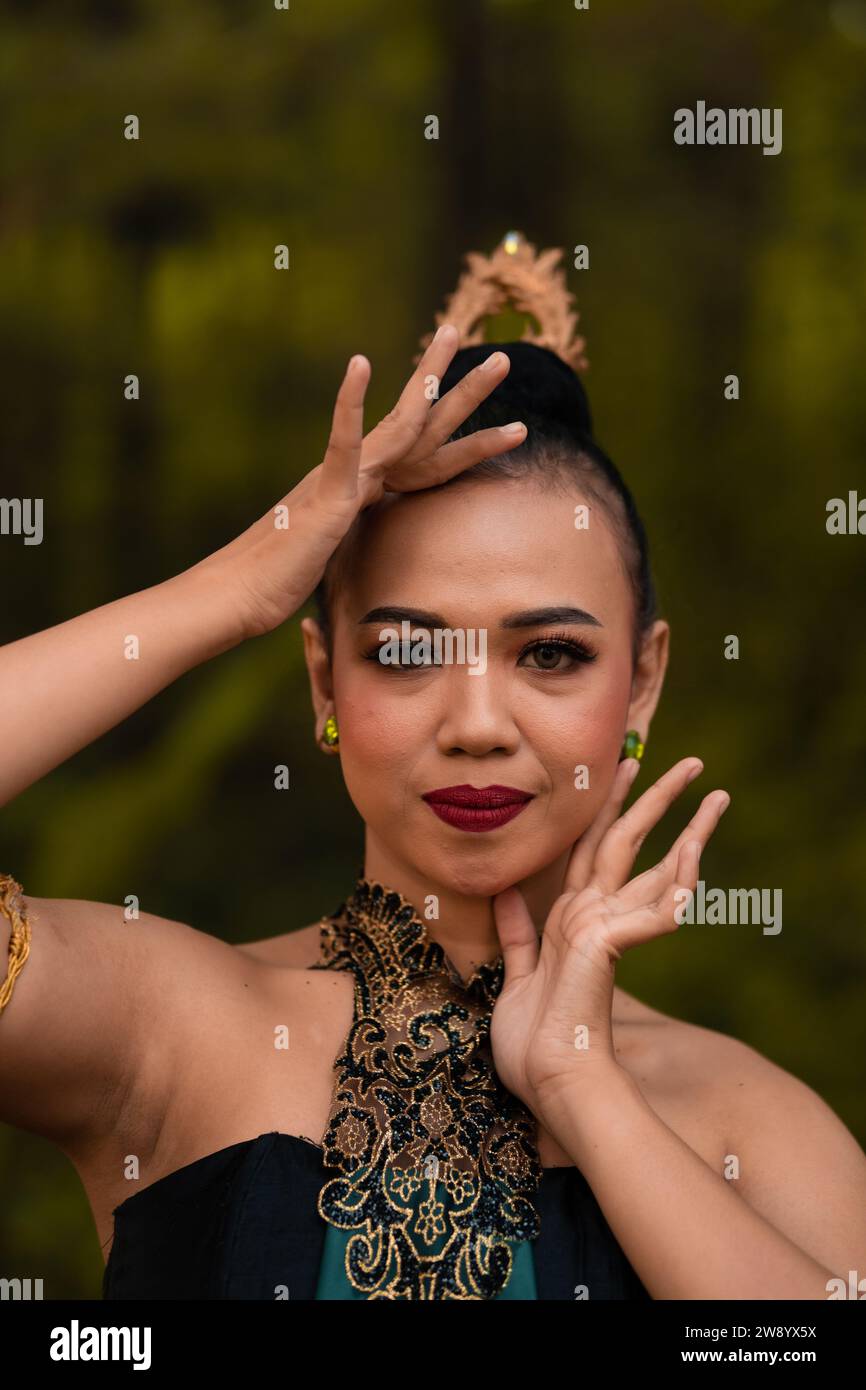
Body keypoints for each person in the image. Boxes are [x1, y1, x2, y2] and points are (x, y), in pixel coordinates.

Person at [1, 234, 865, 1301]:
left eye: (548, 654)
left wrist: (581, 1088)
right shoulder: (170, 1030)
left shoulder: (752, 1123)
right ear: (323, 680)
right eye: (406, 651)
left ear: (640, 684)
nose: (475, 723)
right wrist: (241, 584)